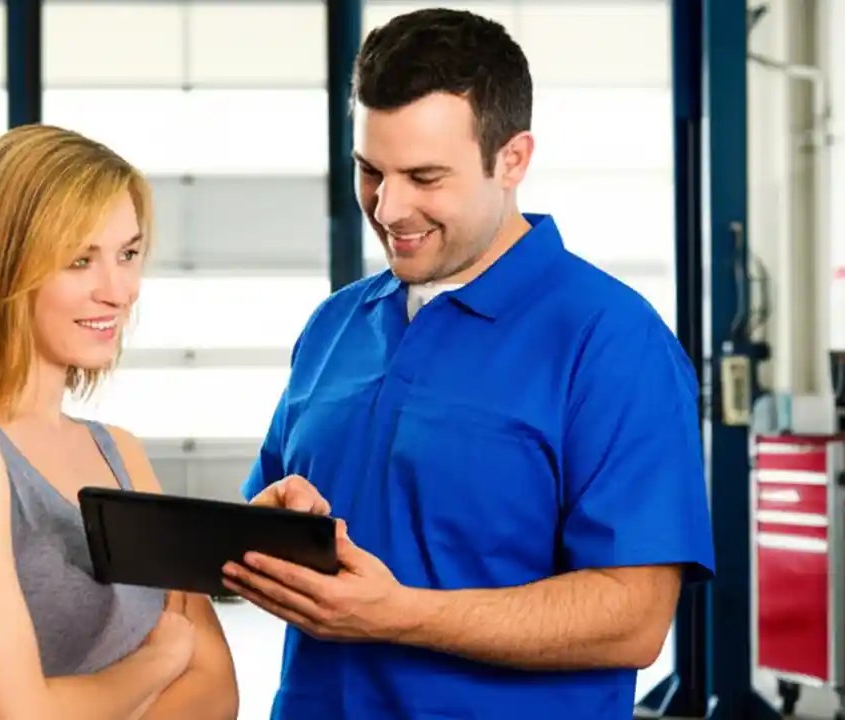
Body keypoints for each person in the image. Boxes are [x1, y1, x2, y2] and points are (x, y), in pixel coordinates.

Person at [223, 8, 715, 720]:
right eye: (370, 172)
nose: (389, 208)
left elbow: (632, 618)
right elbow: (259, 519)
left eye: (425, 177)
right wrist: (262, 530)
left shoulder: (610, 340)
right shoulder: (336, 324)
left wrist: (398, 615)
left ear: (512, 159)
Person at [0, 124, 238, 720]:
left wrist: (59, 704)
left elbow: (217, 695)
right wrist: (157, 664)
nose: (118, 291)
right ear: (2, 268)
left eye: (127, 254)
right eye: (79, 260)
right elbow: (15, 717)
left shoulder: (120, 452)